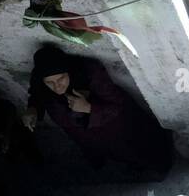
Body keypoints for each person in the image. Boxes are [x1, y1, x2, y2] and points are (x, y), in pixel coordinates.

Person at [26, 44, 174, 176]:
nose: (57, 87)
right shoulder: (40, 80)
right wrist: (33, 110)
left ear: (68, 72)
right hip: (82, 131)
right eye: (50, 83)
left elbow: (117, 105)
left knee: (136, 148)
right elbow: (37, 94)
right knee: (108, 151)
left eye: (61, 79)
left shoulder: (89, 73)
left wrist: (89, 107)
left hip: (113, 125)